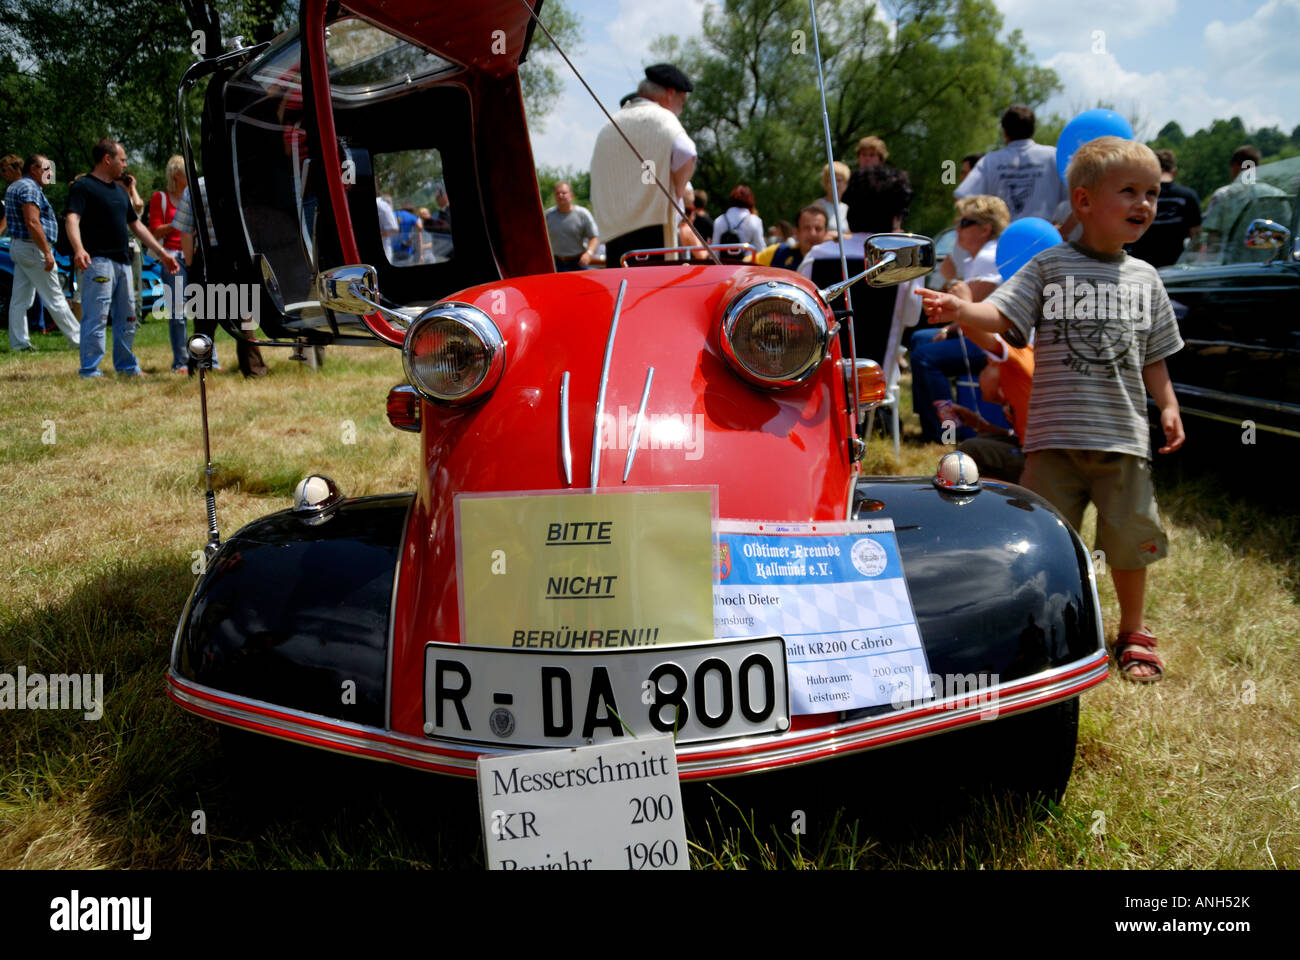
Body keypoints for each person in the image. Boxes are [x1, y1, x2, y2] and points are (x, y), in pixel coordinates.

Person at [919, 136, 1185, 682]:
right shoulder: (1049, 266)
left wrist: (1168, 405)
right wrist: (963, 308)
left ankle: (1133, 628)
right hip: (1052, 438)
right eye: (1129, 191)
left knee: (1130, 539)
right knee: (1041, 539)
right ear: (1083, 202)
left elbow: (1156, 355)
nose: (1145, 204)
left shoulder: (1147, 278)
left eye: (1153, 193)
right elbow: (1000, 315)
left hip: (1122, 439)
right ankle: (1037, 627)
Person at [65, 139, 178, 378]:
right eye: (122, 159)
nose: (125, 164)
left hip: (124, 263)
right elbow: (72, 219)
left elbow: (136, 225)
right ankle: (89, 369)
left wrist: (162, 252)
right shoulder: (83, 186)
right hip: (98, 263)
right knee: (96, 317)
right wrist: (79, 248)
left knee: (128, 317)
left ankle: (127, 367)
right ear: (108, 159)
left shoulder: (119, 191)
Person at [910, 195, 1009, 443]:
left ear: (985, 229)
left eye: (965, 223)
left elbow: (970, 306)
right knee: (920, 339)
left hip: (997, 343)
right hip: (987, 334)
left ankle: (946, 431)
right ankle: (932, 422)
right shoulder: (982, 255)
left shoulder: (989, 255)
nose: (957, 230)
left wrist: (952, 278)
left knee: (924, 356)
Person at [591, 63, 696, 267]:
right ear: (670, 94)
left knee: (623, 293)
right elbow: (687, 152)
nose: (680, 109)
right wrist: (678, 190)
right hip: (654, 232)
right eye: (681, 102)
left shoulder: (608, 125)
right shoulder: (663, 117)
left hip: (613, 236)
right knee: (655, 295)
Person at [171, 177, 269, 378]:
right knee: (244, 316)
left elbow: (185, 230)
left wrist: (190, 264)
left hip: (207, 257)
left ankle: (200, 369)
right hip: (236, 255)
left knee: (204, 320)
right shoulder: (238, 181)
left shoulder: (195, 187)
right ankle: (254, 369)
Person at [4, 154, 81, 351]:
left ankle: (19, 343)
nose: (50, 173)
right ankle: (79, 341)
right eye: (46, 169)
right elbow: (32, 222)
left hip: (20, 246)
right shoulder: (29, 188)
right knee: (55, 296)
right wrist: (47, 252)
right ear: (33, 170)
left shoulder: (15, 186)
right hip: (33, 248)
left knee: (20, 299)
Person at [940, 333, 1034, 483]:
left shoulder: (1020, 363)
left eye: (987, 365)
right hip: (1037, 454)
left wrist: (956, 312)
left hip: (1044, 464)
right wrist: (979, 424)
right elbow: (1017, 438)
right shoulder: (1019, 383)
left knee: (971, 451)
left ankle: (981, 500)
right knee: (983, 440)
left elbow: (982, 332)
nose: (981, 375)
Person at [955, 105, 1067, 222]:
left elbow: (962, 197)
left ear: (1004, 132)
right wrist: (1063, 230)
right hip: (1047, 236)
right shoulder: (1053, 156)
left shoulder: (990, 161)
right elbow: (1079, 197)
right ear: (1033, 129)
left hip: (1004, 236)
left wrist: (985, 228)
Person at [1199, 145, 1287, 255]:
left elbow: (1213, 237)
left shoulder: (1224, 195)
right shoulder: (1278, 195)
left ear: (1235, 166)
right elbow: (1286, 233)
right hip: (1270, 265)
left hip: (1232, 266)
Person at [1123, 149, 1200, 268]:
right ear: (1174, 170)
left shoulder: (1136, 196)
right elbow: (1196, 238)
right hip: (1176, 268)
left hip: (1138, 266)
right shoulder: (1188, 196)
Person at [150, 155, 190, 372]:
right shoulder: (161, 198)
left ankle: (210, 358)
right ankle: (181, 361)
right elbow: (154, 230)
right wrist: (179, 221)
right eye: (188, 172)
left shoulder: (194, 195)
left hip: (193, 256)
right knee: (178, 313)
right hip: (172, 257)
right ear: (177, 175)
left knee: (207, 309)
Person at [842, 136, 911, 233]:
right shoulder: (851, 179)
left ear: (880, 158)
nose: (867, 159)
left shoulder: (892, 181)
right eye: (864, 155)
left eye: (872, 155)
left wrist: (896, 227)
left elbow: (901, 209)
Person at [545, 181, 599, 271]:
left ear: (571, 195)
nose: (560, 196)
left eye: (564, 193)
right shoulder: (548, 215)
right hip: (555, 263)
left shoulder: (583, 214)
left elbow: (594, 237)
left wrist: (589, 254)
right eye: (557, 193)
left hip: (578, 263)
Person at [768, 205, 827, 271]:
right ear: (796, 231)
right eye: (806, 228)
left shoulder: (839, 258)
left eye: (818, 228)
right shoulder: (776, 252)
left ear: (826, 232)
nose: (812, 234)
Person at [712, 184, 764, 249]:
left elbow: (714, 250)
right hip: (748, 259)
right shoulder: (755, 221)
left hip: (721, 259)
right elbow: (760, 249)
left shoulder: (719, 220)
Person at [813, 161, 850, 237]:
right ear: (826, 183)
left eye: (839, 180)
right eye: (832, 180)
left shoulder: (847, 208)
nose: (836, 184)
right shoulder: (817, 206)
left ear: (846, 184)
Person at [0, 154, 24, 235]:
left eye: (4, 170)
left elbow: (7, 215)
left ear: (14, 169)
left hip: (24, 241)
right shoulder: (31, 185)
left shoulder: (15, 188)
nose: (2, 174)